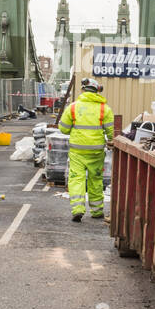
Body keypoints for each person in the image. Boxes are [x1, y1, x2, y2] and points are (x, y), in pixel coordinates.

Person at [57, 76, 114, 222]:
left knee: (77, 179)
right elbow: (111, 134)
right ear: (97, 92)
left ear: (83, 90)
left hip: (77, 151)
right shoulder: (104, 109)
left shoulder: (73, 107)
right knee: (96, 180)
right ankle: (97, 211)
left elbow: (63, 129)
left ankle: (78, 209)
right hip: (96, 152)